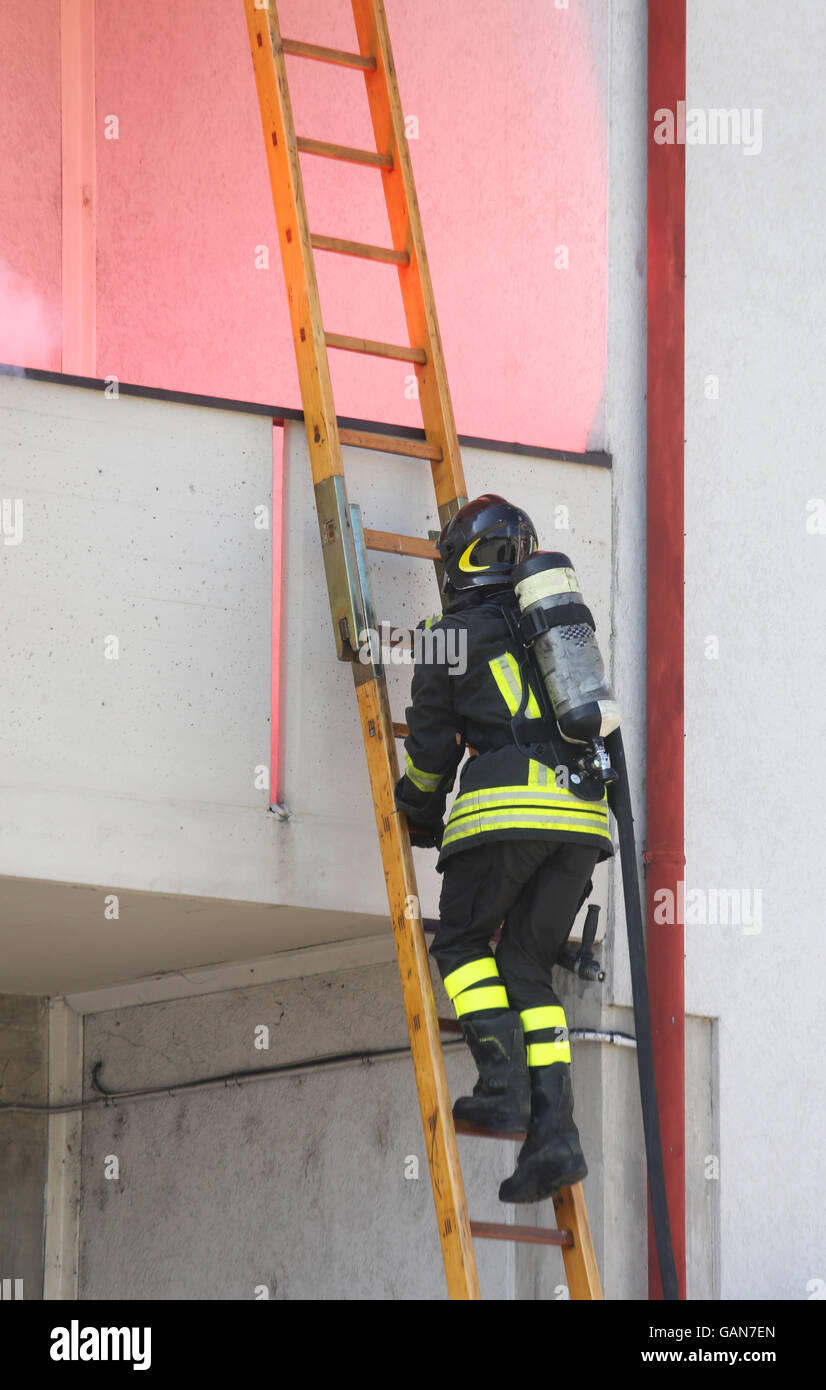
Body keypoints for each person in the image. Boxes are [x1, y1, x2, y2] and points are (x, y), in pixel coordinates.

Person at [393, 494, 615, 1203]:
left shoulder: (444, 634)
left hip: (505, 813)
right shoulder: (551, 634)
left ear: (459, 561)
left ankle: (501, 1084)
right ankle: (555, 1138)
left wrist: (417, 811)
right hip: (582, 824)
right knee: (524, 966)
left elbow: (429, 751)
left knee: (460, 946)